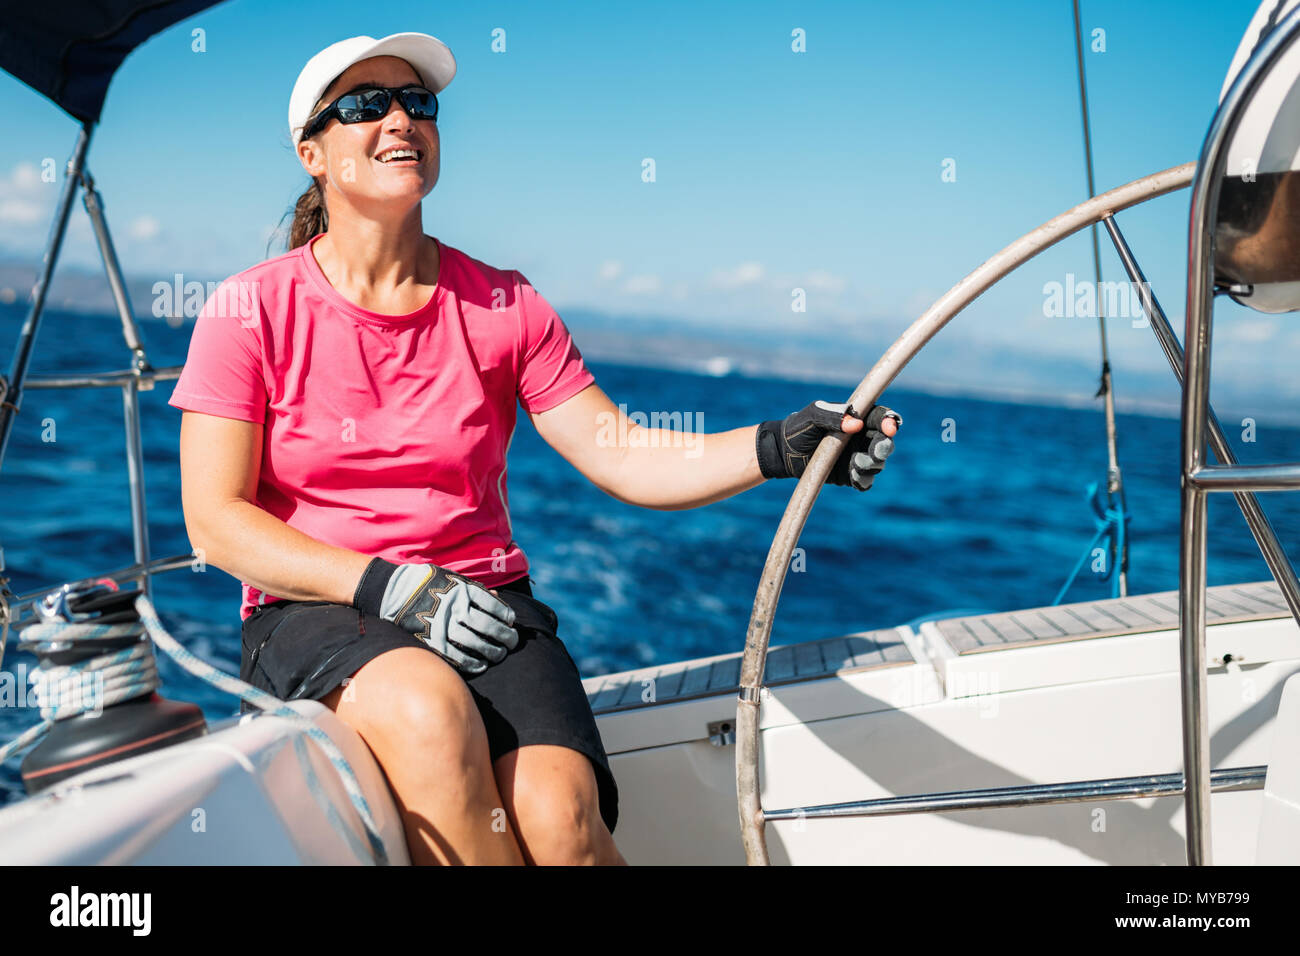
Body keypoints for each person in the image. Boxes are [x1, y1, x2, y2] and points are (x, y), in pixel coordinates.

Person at [167, 31, 902, 866]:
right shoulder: (249, 309)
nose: (401, 118)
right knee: (428, 714)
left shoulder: (506, 304)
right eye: (367, 105)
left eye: (418, 102)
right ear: (312, 152)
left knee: (560, 823)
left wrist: (783, 446)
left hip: (484, 605)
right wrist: (389, 586)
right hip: (319, 610)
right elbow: (215, 522)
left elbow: (622, 451)